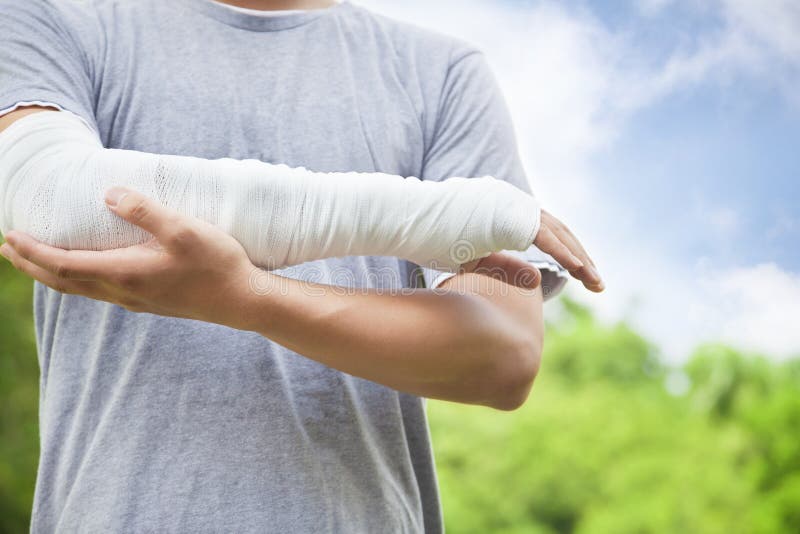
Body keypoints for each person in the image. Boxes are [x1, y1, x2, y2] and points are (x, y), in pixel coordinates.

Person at [0, 0, 604, 532]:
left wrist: (247, 298)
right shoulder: (50, 17)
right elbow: (53, 200)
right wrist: (443, 213)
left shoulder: (444, 73)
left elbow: (503, 357)